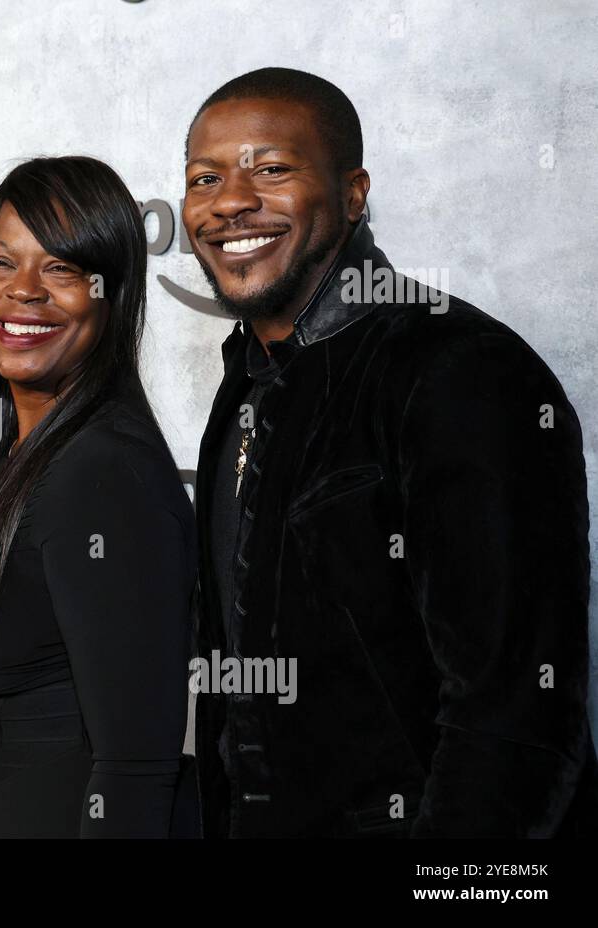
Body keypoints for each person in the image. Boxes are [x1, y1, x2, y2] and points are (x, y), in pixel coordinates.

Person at [184, 67, 596, 837]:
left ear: (353, 193)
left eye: (271, 168)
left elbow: (515, 717)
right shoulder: (244, 384)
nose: (232, 199)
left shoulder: (460, 370)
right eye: (206, 177)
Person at [0, 156, 198, 838]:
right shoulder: (6, 461)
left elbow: (135, 762)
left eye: (62, 270)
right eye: (2, 264)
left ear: (113, 292)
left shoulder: (104, 474)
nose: (24, 293)